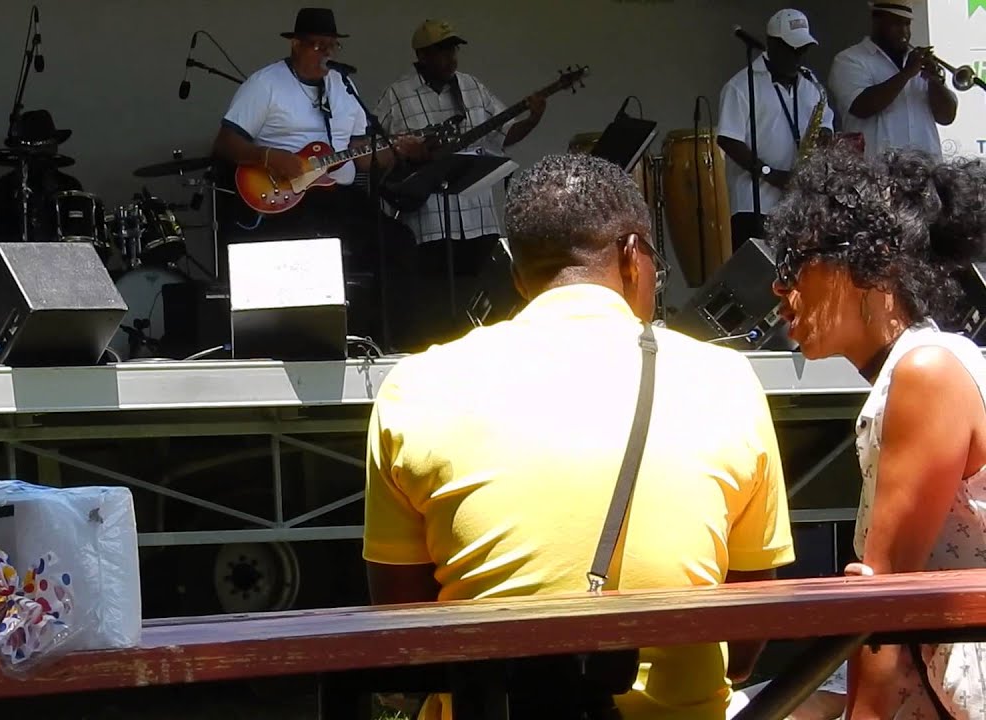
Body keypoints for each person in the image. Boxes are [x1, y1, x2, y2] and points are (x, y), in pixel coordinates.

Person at [363, 153, 795, 720]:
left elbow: (406, 635)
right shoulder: (727, 380)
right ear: (633, 255)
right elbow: (744, 637)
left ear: (517, 273)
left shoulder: (414, 386)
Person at [768, 145, 986, 718]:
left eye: (795, 259)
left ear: (874, 263)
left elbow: (883, 599)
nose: (777, 285)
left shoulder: (925, 372)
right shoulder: (922, 364)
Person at [211, 7, 421, 347]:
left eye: (332, 46)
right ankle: (299, 343)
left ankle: (390, 343)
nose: (326, 53)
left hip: (339, 197)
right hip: (287, 199)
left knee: (398, 242)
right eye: (317, 45)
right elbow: (225, 143)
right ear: (295, 45)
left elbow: (360, 154)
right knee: (306, 253)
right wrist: (270, 156)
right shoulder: (266, 84)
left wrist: (399, 150)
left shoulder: (343, 86)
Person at [374, 19, 546, 344]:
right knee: (435, 308)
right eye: (442, 50)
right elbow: (374, 148)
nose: (451, 57)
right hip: (429, 224)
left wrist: (534, 117)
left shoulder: (471, 87)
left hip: (478, 219)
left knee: (489, 302)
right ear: (422, 55)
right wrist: (411, 154)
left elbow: (504, 135)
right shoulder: (398, 95)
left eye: (454, 49)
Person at [717, 8, 833, 250]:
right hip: (755, 206)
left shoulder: (810, 85)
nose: (799, 56)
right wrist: (772, 174)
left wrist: (824, 136)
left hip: (798, 206)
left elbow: (825, 123)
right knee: (759, 282)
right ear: (772, 44)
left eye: (803, 49)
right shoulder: (741, 85)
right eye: (793, 49)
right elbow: (729, 140)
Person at [828, 0, 957, 160]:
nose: (904, 32)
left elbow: (947, 117)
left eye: (907, 24)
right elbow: (861, 107)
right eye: (896, 24)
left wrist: (934, 81)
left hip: (925, 172)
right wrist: (907, 73)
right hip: (874, 173)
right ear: (877, 22)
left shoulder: (917, 61)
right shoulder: (849, 60)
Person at [0, 109, 82, 263]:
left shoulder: (69, 187)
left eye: (48, 145)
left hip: (65, 268)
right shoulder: (3, 190)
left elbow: (81, 236)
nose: (43, 153)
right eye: (36, 147)